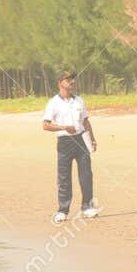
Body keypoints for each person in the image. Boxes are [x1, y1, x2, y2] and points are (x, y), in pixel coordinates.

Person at [42, 71, 99, 224]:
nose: (71, 82)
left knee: (86, 174)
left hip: (80, 140)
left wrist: (92, 139)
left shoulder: (79, 100)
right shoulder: (53, 102)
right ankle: (63, 210)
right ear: (60, 83)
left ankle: (87, 207)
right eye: (68, 79)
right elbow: (45, 125)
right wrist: (63, 127)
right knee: (64, 177)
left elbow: (85, 121)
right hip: (64, 142)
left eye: (72, 79)